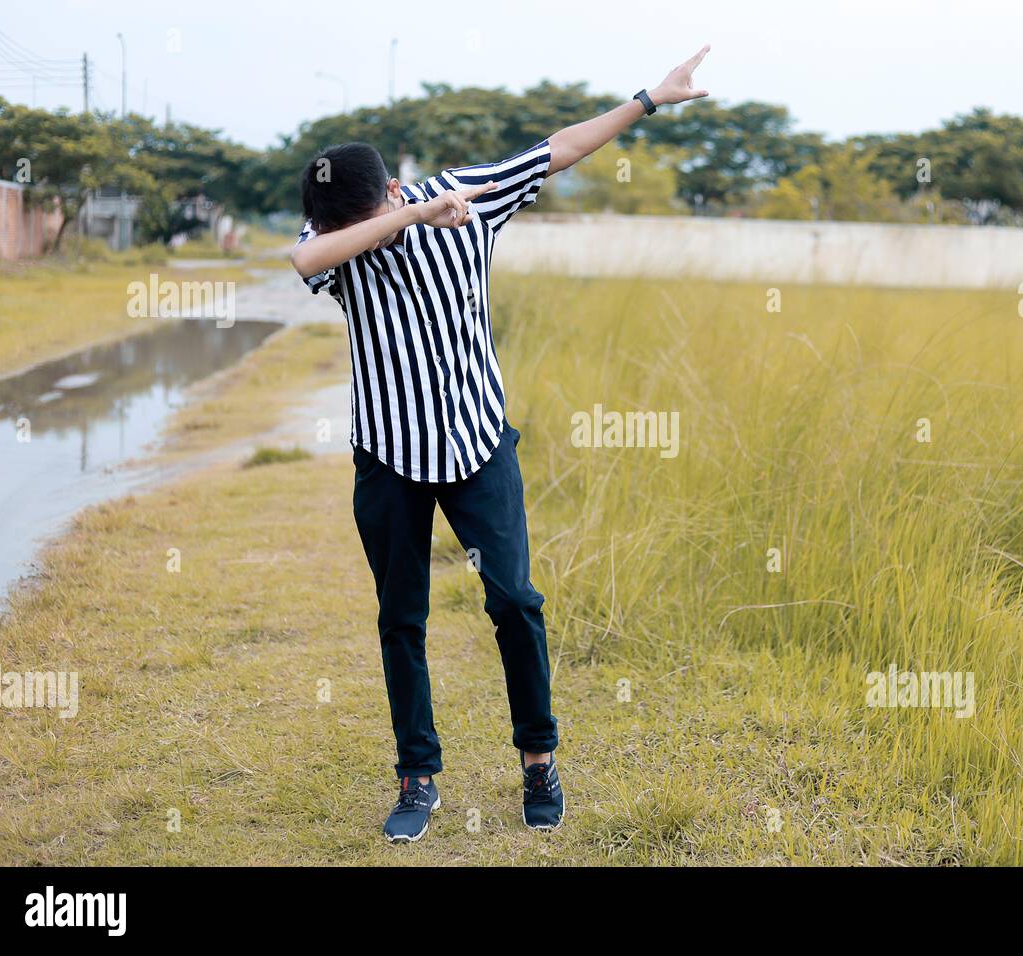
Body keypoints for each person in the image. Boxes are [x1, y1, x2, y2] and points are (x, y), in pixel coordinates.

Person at [290, 45, 711, 843]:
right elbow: (305, 257)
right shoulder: (338, 233)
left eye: (364, 215)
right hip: (388, 452)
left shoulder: (468, 196)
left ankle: (539, 762)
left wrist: (649, 101)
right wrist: (403, 218)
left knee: (514, 602)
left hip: (478, 440)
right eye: (347, 225)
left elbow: (560, 147)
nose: (349, 233)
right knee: (400, 617)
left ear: (387, 185)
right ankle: (418, 777)